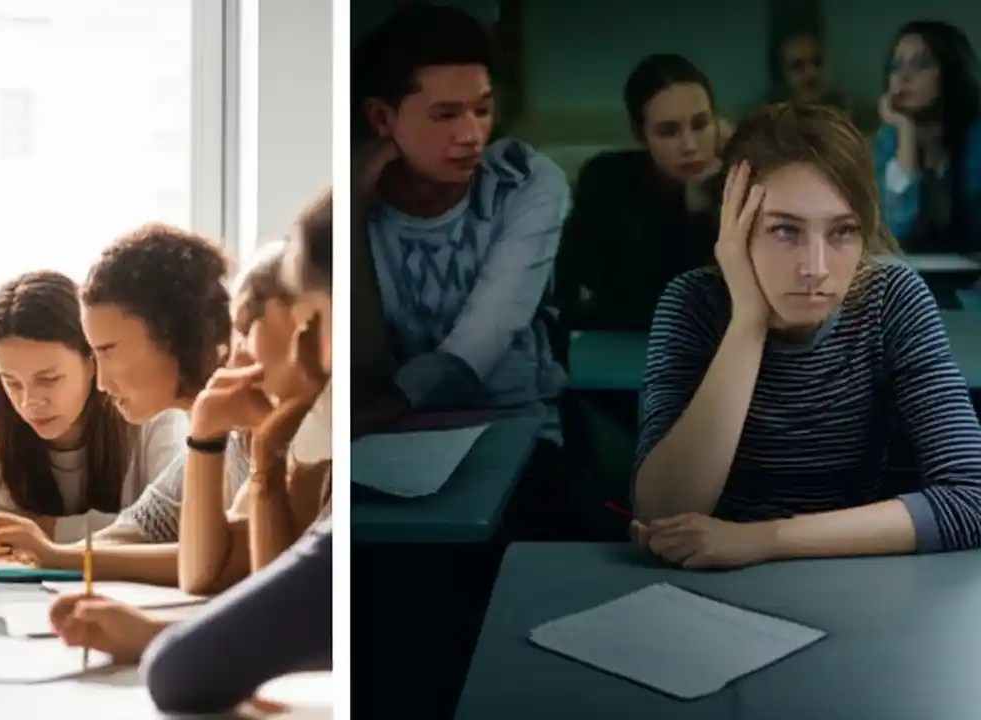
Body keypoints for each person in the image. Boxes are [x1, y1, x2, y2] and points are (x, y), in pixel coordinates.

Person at [631, 103, 981, 570]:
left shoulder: (892, 300)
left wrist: (761, 540)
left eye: (843, 231)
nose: (815, 267)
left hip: (853, 576)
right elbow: (664, 511)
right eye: (784, 230)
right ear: (734, 226)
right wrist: (748, 321)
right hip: (710, 587)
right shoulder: (692, 304)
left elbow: (972, 498)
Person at [49, 190, 334, 715]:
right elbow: (218, 577)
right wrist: (222, 441)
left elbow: (231, 586)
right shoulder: (274, 433)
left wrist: (57, 556)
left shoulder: (319, 443)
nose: (239, 349)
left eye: (249, 328)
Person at [0, 228, 249, 585]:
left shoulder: (261, 433)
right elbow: (139, 529)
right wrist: (41, 554)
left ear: (175, 334)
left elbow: (219, 563)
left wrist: (56, 554)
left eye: (108, 351)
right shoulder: (213, 428)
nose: (100, 383)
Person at [352, 4, 569, 438]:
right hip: (387, 438)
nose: (471, 135)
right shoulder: (356, 200)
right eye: (445, 115)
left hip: (514, 425)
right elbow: (360, 362)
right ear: (381, 118)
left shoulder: (524, 183)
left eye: (482, 110)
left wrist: (383, 407)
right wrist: (351, 209)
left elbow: (480, 341)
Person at [0, 271, 189, 543]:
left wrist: (47, 530)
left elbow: (181, 525)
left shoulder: (153, 416)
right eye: (11, 382)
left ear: (92, 361)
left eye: (49, 379)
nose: (28, 401)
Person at [173, 239, 330, 595]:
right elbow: (204, 575)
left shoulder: (330, 432)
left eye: (245, 327)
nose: (237, 358)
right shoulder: (294, 434)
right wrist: (205, 435)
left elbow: (279, 608)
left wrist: (267, 457)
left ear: (305, 317)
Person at [556, 53, 724, 332]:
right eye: (668, 131)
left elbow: (710, 313)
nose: (690, 145)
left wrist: (700, 213)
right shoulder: (606, 180)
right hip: (618, 350)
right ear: (640, 135)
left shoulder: (742, 184)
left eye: (701, 124)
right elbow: (566, 292)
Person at [875, 20, 981, 254]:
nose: (903, 77)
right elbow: (897, 228)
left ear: (951, 71)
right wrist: (906, 133)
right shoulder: (888, 141)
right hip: (914, 282)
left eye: (921, 64)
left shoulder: (975, 138)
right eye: (896, 66)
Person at [772, 30, 846, 110]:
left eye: (817, 62)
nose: (812, 73)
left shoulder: (849, 115)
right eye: (798, 66)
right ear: (782, 74)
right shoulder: (770, 119)